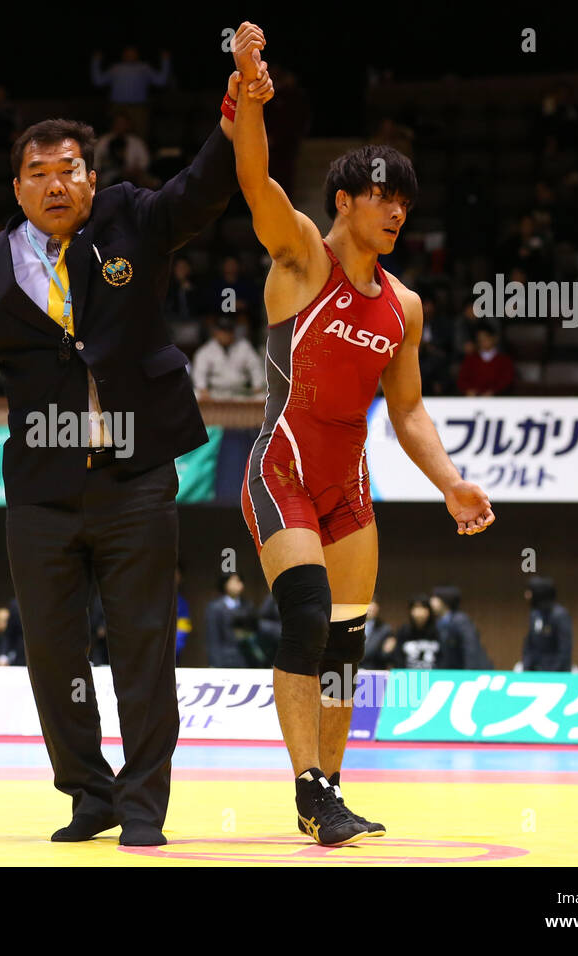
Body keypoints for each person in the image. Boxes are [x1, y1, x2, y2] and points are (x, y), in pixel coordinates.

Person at [0, 32, 274, 848]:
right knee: (52, 655)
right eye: (37, 173)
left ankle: (145, 808)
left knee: (143, 650)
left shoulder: (132, 220)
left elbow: (203, 191)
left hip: (135, 479)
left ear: (91, 175)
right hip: (40, 491)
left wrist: (240, 105)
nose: (55, 184)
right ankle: (90, 794)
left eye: (68, 169)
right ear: (16, 187)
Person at [231, 23, 495, 847]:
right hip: (282, 469)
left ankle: (331, 792)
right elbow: (253, 176)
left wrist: (450, 481)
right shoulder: (299, 256)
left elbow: (408, 410)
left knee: (348, 640)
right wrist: (246, 87)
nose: (397, 213)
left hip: (349, 486)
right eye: (384, 197)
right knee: (305, 611)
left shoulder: (404, 306)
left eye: (406, 203)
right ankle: (308, 785)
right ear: (343, 200)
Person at [191, 316, 265, 398]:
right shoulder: (206, 350)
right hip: (215, 393)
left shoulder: (243, 346)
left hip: (240, 392)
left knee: (261, 396)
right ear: (216, 332)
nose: (226, 334)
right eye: (223, 331)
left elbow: (255, 367)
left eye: (229, 331)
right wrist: (202, 388)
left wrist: (257, 385)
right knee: (196, 394)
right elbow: (199, 373)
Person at [430, 585, 492, 669]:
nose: (431, 601)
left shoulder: (460, 620)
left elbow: (470, 648)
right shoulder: (439, 622)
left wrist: (469, 672)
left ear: (444, 600)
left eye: (434, 598)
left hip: (469, 673)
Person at [519, 575, 573, 671]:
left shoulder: (560, 616)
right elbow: (528, 645)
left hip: (555, 672)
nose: (527, 596)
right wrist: (527, 666)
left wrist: (551, 674)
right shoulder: (535, 615)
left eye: (530, 592)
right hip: (535, 669)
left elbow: (564, 652)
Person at [204, 572, 256, 668]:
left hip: (245, 660)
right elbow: (213, 637)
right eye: (234, 581)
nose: (239, 584)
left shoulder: (248, 606)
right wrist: (215, 663)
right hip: (223, 659)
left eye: (240, 581)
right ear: (225, 584)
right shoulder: (215, 607)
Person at [456, 322, 515, 396]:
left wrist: (494, 391)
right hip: (473, 400)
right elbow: (462, 380)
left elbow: (507, 381)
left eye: (486, 338)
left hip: (497, 401)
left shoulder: (504, 360)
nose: (483, 342)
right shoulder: (470, 359)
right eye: (480, 340)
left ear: (494, 338)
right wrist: (468, 390)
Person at [392, 595, 442, 669]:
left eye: (423, 608)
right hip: (408, 676)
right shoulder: (403, 631)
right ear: (410, 611)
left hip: (433, 676)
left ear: (429, 611)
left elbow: (444, 657)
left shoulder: (439, 631)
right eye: (416, 608)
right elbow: (398, 656)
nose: (419, 612)